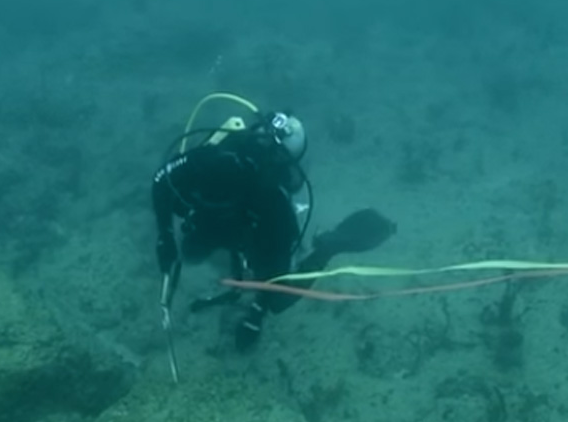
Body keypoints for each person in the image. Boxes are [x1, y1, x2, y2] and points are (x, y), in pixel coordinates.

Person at [152, 109, 395, 350]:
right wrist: (166, 236)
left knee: (279, 300)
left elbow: (277, 276)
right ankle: (239, 265)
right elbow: (162, 180)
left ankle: (327, 247)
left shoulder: (274, 205)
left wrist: (257, 311)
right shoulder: (216, 158)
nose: (255, 158)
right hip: (215, 217)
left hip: (248, 229)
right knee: (191, 252)